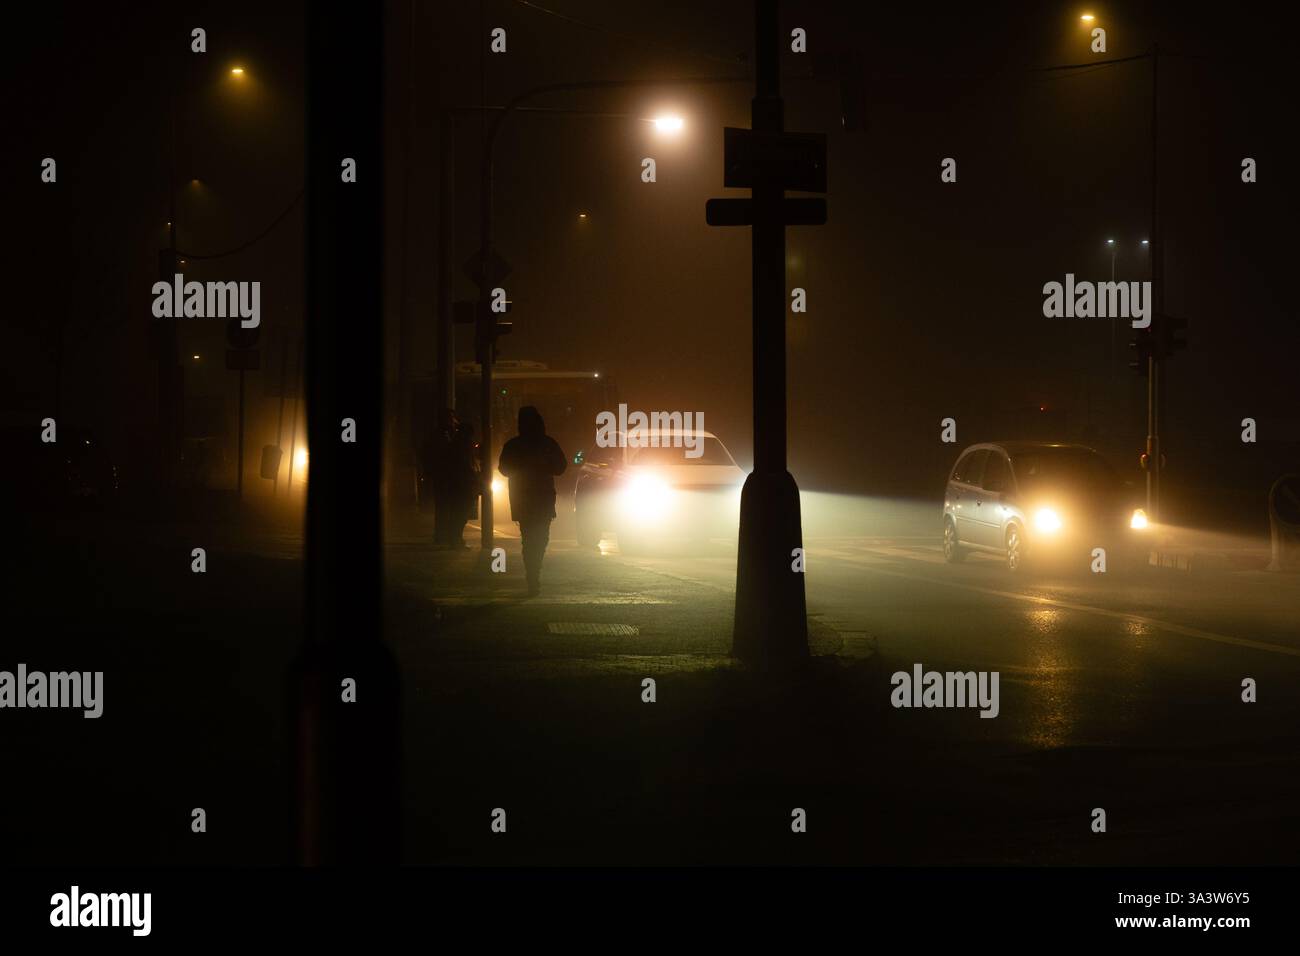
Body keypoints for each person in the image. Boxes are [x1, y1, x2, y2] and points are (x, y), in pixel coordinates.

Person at [498, 406, 566, 596]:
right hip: (542, 497)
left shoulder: (513, 445)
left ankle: (532, 574)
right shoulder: (548, 443)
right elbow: (561, 467)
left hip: (523, 498)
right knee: (540, 538)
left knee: (529, 538)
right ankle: (534, 572)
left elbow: (503, 469)